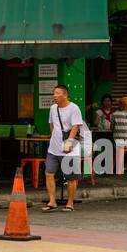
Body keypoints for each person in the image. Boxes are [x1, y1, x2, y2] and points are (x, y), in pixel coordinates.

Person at [43, 84, 83, 212]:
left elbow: (75, 126)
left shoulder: (74, 108)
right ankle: (52, 201)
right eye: (54, 93)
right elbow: (51, 124)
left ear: (65, 95)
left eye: (57, 93)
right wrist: (54, 137)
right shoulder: (53, 108)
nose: (54, 95)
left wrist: (69, 142)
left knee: (70, 178)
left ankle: (70, 203)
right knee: (49, 173)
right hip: (53, 148)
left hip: (69, 148)